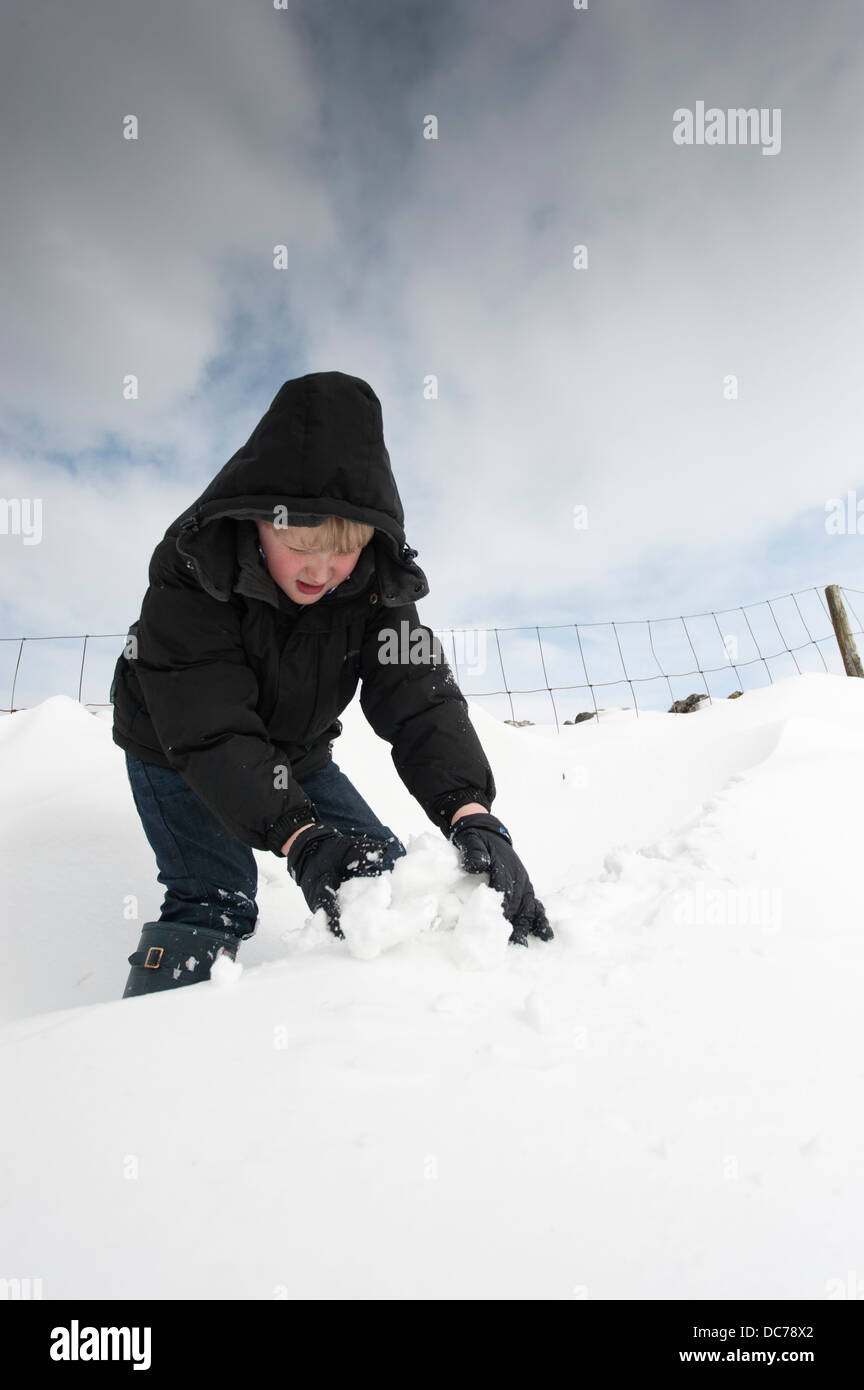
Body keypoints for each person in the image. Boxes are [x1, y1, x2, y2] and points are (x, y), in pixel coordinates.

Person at [111, 371, 552, 997]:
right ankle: (142, 1052)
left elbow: (418, 696)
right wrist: (301, 838)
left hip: (299, 747)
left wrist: (471, 812)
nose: (321, 570)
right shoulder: (193, 570)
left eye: (344, 550)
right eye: (300, 543)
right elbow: (210, 727)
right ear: (258, 519)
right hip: (176, 748)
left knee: (386, 880)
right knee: (217, 899)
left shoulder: (375, 583)